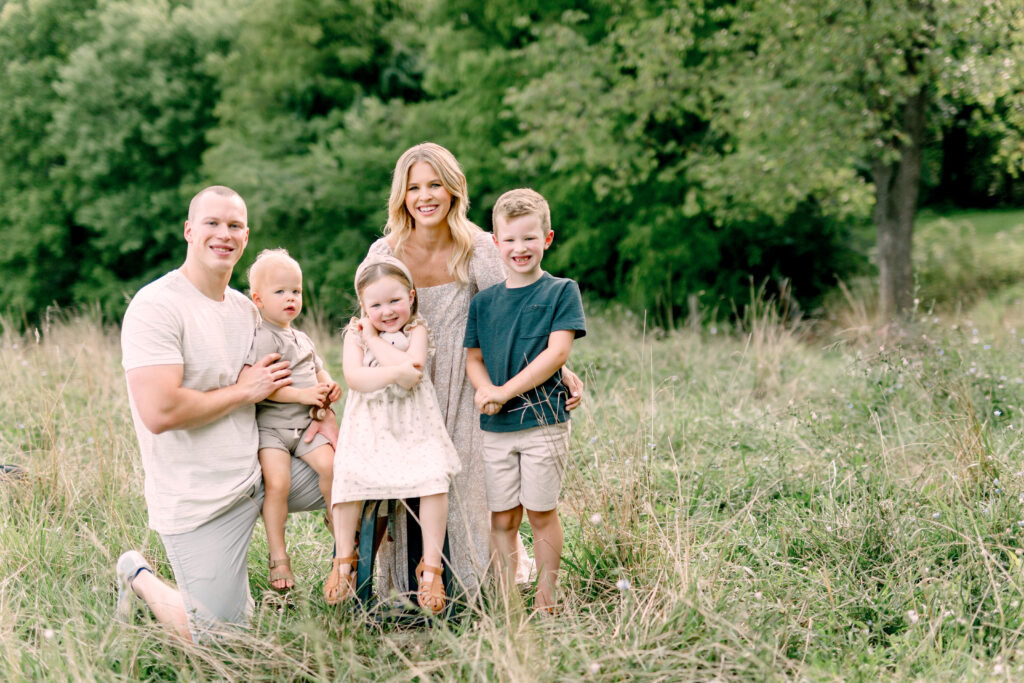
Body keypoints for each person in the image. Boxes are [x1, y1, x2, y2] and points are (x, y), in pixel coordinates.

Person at [115, 186, 336, 642]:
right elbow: (159, 411)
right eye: (212, 223)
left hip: (262, 469)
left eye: (234, 225)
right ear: (189, 231)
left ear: (246, 235)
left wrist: (323, 397)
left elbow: (294, 355)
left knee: (376, 478)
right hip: (201, 501)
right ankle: (139, 577)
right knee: (228, 645)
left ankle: (376, 594)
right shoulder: (156, 306)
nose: (224, 234)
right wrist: (243, 391)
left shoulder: (245, 308)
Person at [365, 142, 583, 600]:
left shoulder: (479, 246)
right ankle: (407, 590)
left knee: (465, 486)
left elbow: (518, 309)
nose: (425, 196)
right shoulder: (385, 252)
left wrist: (559, 368)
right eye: (414, 187)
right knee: (408, 484)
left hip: (468, 387)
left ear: (453, 189)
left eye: (435, 184)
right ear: (401, 195)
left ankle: (473, 588)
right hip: (407, 387)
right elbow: (365, 321)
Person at [464, 188, 586, 612]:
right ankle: (509, 598)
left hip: (544, 422)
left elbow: (557, 354)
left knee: (541, 512)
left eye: (529, 238)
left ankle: (548, 597)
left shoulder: (561, 291)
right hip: (496, 428)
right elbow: (473, 358)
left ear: (547, 239)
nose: (520, 248)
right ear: (495, 243)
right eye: (510, 240)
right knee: (503, 517)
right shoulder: (484, 302)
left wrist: (503, 391)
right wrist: (484, 390)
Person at [324, 255, 461, 613]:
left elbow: (413, 371)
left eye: (395, 301)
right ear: (363, 306)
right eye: (376, 305)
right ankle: (344, 561)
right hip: (369, 431)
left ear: (412, 296)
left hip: (414, 429)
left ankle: (430, 568)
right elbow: (355, 378)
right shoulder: (354, 335)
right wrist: (394, 371)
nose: (386, 311)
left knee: (434, 479)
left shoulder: (417, 329)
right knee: (349, 475)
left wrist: (374, 340)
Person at [245, 248, 341, 592]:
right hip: (273, 429)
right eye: (280, 291)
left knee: (332, 467)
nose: (291, 298)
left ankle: (337, 522)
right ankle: (278, 555)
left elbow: (317, 369)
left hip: (305, 428)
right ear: (258, 299)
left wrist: (327, 384)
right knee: (278, 485)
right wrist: (303, 395)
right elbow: (265, 388)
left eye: (296, 291)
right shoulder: (262, 338)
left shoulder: (301, 337)